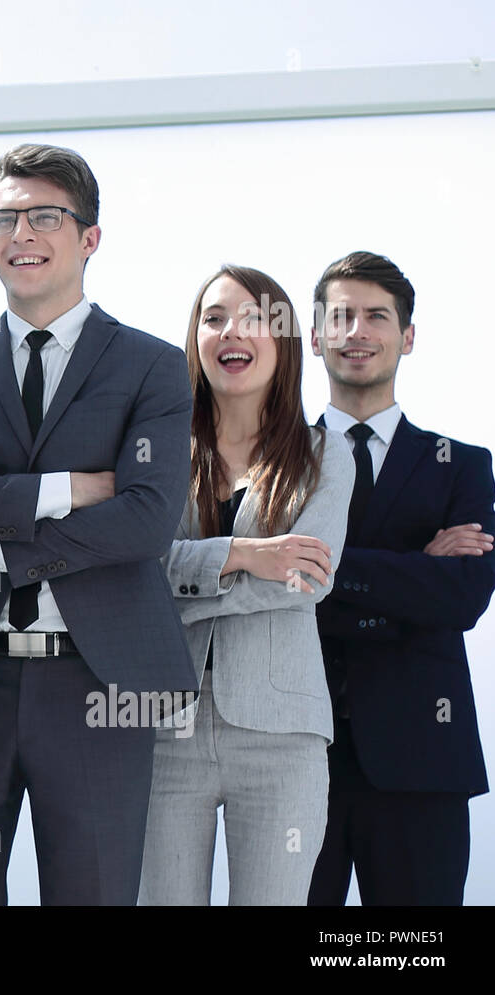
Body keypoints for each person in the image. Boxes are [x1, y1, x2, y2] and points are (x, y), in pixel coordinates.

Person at [0, 143, 196, 905]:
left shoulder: (152, 367)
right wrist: (68, 489)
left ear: (89, 237)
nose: (20, 233)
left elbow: (147, 521)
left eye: (44, 215)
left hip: (99, 685)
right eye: (4, 217)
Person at [138, 265, 353, 905]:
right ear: (195, 339)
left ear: (284, 341)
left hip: (282, 735)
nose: (234, 332)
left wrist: (190, 578)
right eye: (215, 318)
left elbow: (306, 577)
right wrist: (244, 553)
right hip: (161, 733)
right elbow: (132, 568)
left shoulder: (323, 453)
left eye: (257, 318)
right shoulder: (156, 449)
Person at [306, 251, 494, 906]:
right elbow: (265, 590)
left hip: (424, 759)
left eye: (376, 316)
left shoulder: (463, 466)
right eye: (342, 315)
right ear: (314, 335)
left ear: (407, 336)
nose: (357, 330)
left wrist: (316, 563)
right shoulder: (273, 464)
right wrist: (415, 573)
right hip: (295, 755)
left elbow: (463, 596)